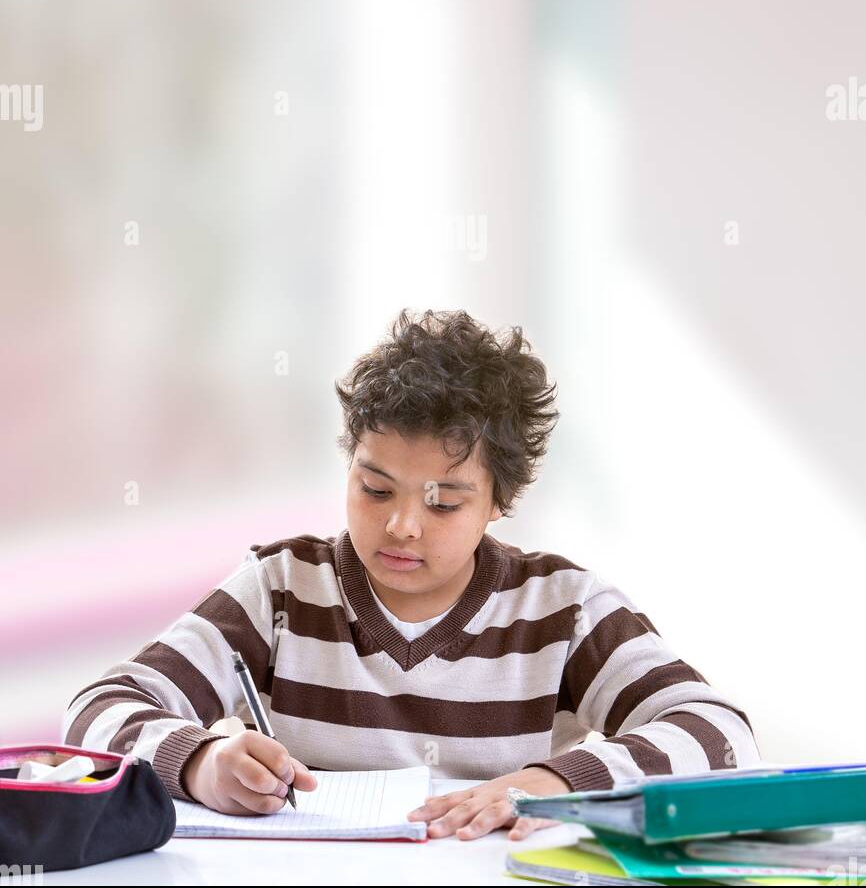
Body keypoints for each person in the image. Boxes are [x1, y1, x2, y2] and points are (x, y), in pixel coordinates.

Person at [62, 307, 762, 842]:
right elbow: (95, 710)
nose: (401, 525)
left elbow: (718, 735)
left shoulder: (562, 610)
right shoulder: (282, 589)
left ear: (498, 502)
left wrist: (552, 781)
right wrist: (200, 761)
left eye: (443, 502)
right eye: (374, 490)